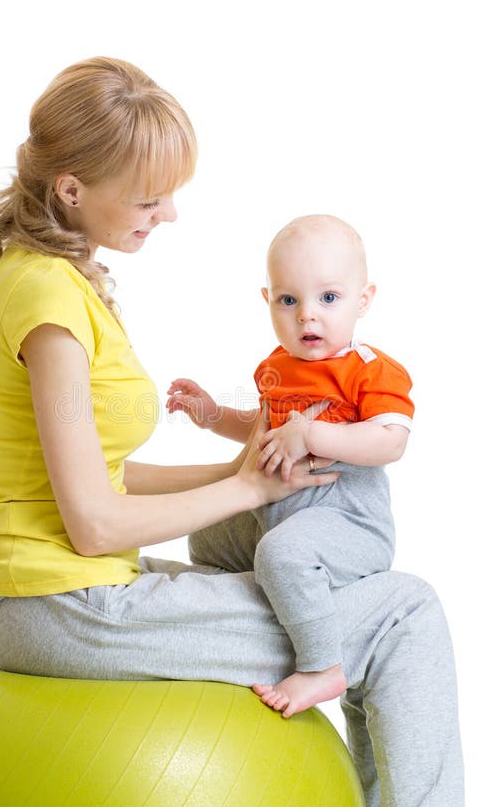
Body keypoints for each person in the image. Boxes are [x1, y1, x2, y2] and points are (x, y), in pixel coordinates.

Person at [0, 56, 464, 806]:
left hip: (53, 597)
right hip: (62, 608)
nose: (168, 214)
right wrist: (243, 487)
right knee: (403, 612)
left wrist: (245, 476)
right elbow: (95, 522)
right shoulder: (49, 310)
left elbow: (105, 477)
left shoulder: (47, 282)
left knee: (285, 566)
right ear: (72, 189)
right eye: (150, 196)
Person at [167, 214, 413, 718]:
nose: (308, 317)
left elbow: (390, 442)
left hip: (348, 521)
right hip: (280, 507)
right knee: (206, 535)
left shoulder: (368, 368)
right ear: (269, 302)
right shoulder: (276, 367)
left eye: (328, 298)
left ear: (362, 300)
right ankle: (252, 613)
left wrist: (314, 434)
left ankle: (322, 665)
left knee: (281, 553)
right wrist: (213, 415)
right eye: (289, 300)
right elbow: (265, 428)